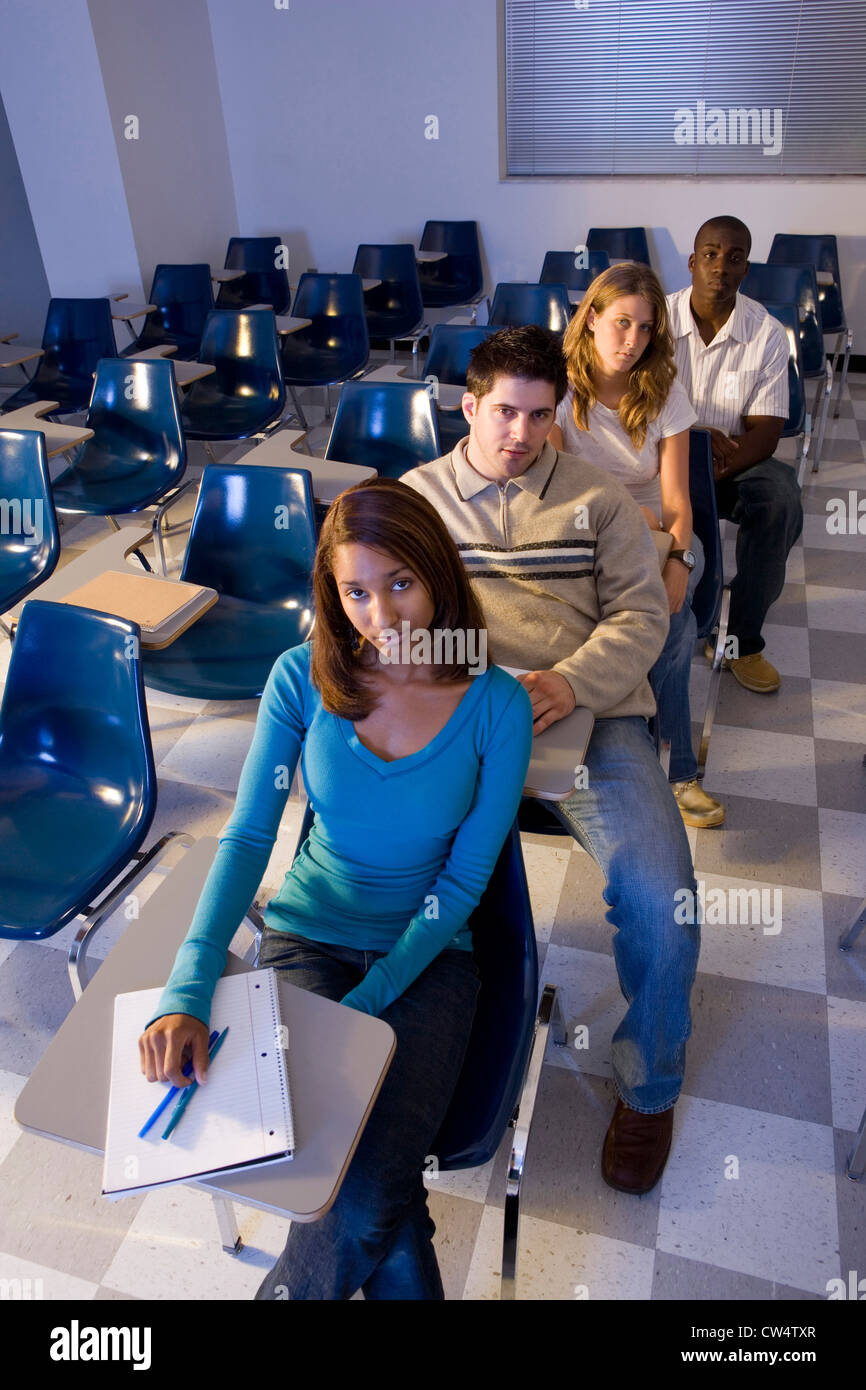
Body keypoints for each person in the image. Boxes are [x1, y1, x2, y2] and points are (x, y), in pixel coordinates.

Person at [138, 477, 533, 1300]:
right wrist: (188, 986)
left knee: (358, 1198)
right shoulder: (299, 678)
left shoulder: (496, 703)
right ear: (330, 592)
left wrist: (367, 1004)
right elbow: (248, 838)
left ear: (439, 573)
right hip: (307, 936)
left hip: (429, 958)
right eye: (355, 592)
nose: (381, 616)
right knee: (359, 1185)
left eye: (401, 583)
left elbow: (464, 880)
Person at [403, 325, 701, 1196]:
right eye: (505, 412)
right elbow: (383, 625)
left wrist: (570, 683)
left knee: (664, 904)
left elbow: (643, 619)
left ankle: (648, 1087)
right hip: (460, 720)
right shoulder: (417, 502)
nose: (522, 434)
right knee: (380, 869)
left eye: (540, 416)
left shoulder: (597, 499)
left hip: (592, 719)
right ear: (468, 406)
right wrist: (470, 684)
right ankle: (416, 1047)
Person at [548, 261, 725, 829]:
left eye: (646, 328)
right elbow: (558, 493)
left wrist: (680, 560)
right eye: (622, 323)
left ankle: (664, 767)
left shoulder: (663, 391)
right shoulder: (559, 388)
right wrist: (631, 516)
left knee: (672, 618)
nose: (633, 340)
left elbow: (677, 503)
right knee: (666, 627)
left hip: (659, 537)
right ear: (591, 318)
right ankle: (658, 765)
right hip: (589, 534)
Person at [667, 215, 803, 693]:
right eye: (710, 254)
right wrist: (692, 439)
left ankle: (740, 641)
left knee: (780, 500)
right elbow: (634, 405)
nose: (720, 266)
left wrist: (710, 462)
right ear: (692, 261)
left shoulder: (766, 332)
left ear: (747, 268)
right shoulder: (657, 321)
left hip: (733, 462)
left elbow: (766, 433)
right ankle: (656, 625)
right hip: (664, 454)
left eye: (734, 258)